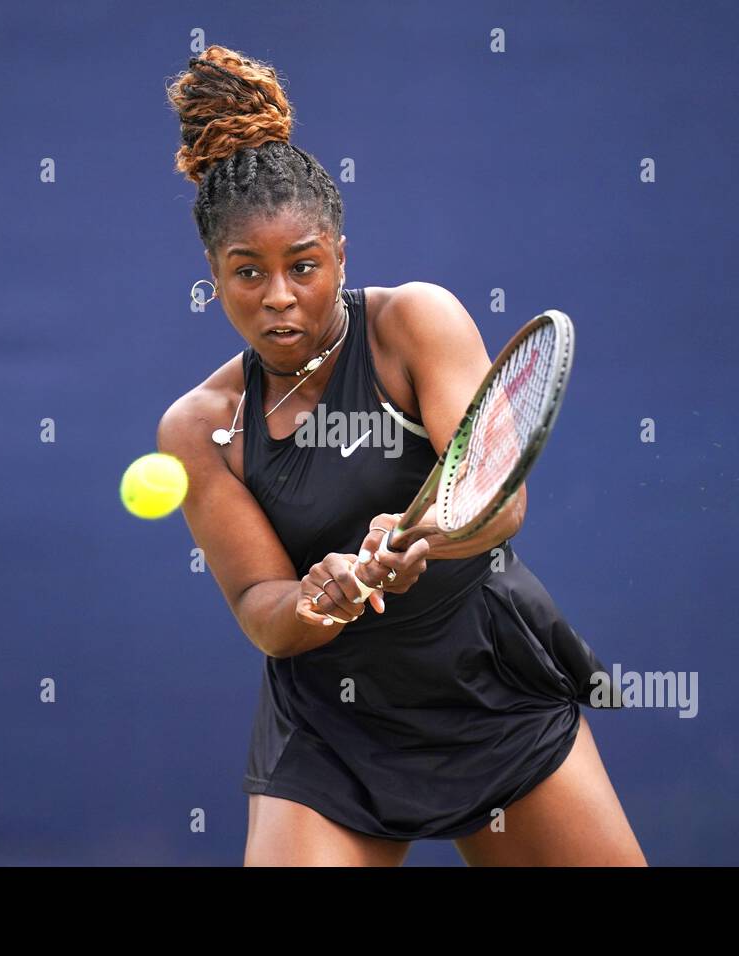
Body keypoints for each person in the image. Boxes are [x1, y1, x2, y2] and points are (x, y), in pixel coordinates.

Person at [158, 45, 646, 866]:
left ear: (340, 256)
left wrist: (418, 540)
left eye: (303, 266)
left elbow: (500, 498)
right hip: (332, 732)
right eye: (248, 273)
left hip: (485, 683)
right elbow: (261, 609)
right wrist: (321, 597)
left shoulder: (415, 323)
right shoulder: (199, 427)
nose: (279, 295)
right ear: (213, 275)